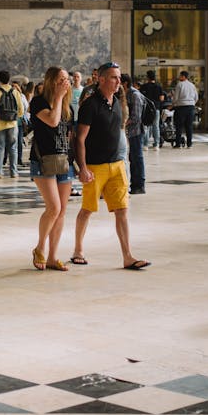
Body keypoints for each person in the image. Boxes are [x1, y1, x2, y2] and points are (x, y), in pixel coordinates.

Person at [70, 61, 150, 269]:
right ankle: (78, 249)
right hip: (95, 167)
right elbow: (79, 139)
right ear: (101, 79)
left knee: (122, 210)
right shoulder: (90, 104)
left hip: (117, 165)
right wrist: (83, 168)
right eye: (114, 77)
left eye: (119, 77)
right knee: (87, 209)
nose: (119, 81)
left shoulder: (116, 102)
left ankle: (128, 256)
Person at [30, 67, 74, 271]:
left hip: (64, 161)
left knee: (62, 210)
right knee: (53, 208)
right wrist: (58, 98)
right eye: (60, 80)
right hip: (43, 161)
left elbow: (68, 135)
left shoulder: (67, 107)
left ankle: (53, 256)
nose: (64, 84)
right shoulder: (38, 102)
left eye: (66, 80)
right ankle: (40, 248)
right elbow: (53, 121)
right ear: (50, 82)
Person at [0, 70, 24, 178]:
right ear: (9, 79)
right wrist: (14, 117)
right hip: (12, 124)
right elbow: (21, 110)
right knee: (13, 148)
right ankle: (13, 172)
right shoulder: (15, 92)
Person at [122, 74, 147, 194]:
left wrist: (123, 123)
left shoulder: (135, 95)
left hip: (136, 131)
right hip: (130, 132)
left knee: (137, 157)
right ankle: (134, 184)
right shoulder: (127, 94)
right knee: (133, 157)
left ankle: (139, 185)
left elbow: (136, 117)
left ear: (125, 83)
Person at [171, 70, 198, 148]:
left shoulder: (179, 84)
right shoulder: (192, 85)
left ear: (183, 76)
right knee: (189, 126)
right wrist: (192, 103)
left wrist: (173, 104)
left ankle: (178, 144)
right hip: (191, 107)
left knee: (179, 126)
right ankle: (189, 144)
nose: (179, 77)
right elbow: (196, 97)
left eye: (180, 76)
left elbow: (176, 97)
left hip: (181, 107)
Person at [139, 71, 166, 148]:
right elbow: (161, 99)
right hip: (156, 108)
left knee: (146, 126)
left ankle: (145, 144)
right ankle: (156, 144)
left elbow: (140, 98)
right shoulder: (159, 87)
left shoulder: (144, 87)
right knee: (156, 126)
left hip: (146, 109)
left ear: (147, 77)